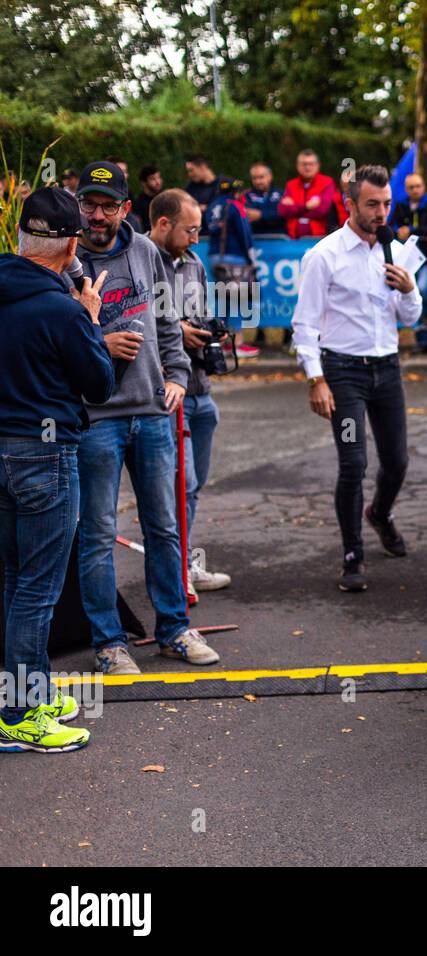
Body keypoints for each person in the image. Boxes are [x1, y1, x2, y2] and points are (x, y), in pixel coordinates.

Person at [73, 161, 219, 674]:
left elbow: (166, 319)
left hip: (154, 413)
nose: (95, 214)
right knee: (95, 533)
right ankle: (110, 643)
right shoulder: (65, 261)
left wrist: (177, 373)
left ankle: (174, 630)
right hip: (95, 420)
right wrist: (99, 343)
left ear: (125, 209)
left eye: (106, 205)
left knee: (165, 525)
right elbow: (50, 339)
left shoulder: (145, 253)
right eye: (88, 204)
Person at [0, 188, 115, 753]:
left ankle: (24, 693)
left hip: (3, 450)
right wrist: (90, 319)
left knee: (12, 580)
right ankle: (20, 714)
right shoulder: (64, 309)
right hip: (44, 457)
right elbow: (99, 383)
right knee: (36, 590)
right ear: (70, 244)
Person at [292, 165, 422, 592]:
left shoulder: (397, 251)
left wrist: (408, 289)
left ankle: (380, 514)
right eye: (372, 204)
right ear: (350, 204)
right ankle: (352, 554)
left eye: (387, 204)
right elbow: (305, 325)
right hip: (343, 371)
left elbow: (412, 317)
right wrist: (317, 379)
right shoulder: (324, 255)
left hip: (387, 368)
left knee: (397, 461)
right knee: (353, 464)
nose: (382, 212)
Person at [147, 190, 233, 595]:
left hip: (201, 389)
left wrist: (208, 330)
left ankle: (184, 564)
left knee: (192, 488)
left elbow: (198, 314)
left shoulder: (193, 262)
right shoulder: (140, 260)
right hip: (165, 395)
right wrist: (176, 331)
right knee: (176, 489)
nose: (197, 239)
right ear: (164, 224)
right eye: (191, 231)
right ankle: (173, 573)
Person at [207, 180, 260, 360]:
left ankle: (220, 342)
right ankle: (236, 343)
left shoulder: (213, 205)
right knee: (238, 299)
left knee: (223, 298)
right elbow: (245, 234)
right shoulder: (235, 206)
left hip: (215, 257)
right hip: (234, 258)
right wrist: (252, 259)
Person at [390, 172, 427, 352]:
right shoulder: (401, 205)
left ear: (423, 187)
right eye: (411, 187)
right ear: (406, 189)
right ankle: (422, 336)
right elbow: (391, 225)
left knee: (423, 290)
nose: (415, 190)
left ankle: (425, 323)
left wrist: (412, 231)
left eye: (418, 186)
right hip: (405, 258)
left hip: (425, 257)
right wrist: (399, 231)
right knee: (411, 291)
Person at [278, 149, 346, 240]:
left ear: (318, 165)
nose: (307, 167)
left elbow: (322, 210)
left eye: (311, 164)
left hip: (319, 238)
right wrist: (307, 206)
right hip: (292, 239)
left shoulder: (327, 183)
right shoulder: (291, 185)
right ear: (297, 166)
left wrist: (294, 208)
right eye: (304, 164)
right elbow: (283, 211)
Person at [184, 154, 230, 235]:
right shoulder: (190, 188)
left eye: (191, 170)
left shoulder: (224, 183)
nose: (189, 174)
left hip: (222, 236)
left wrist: (207, 208)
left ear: (203, 167)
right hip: (199, 237)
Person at [244, 163, 286, 236]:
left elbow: (284, 215)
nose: (258, 181)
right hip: (256, 239)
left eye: (261, 177)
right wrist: (271, 214)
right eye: (254, 178)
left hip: (280, 239)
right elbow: (249, 216)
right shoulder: (246, 196)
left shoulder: (282, 194)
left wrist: (261, 215)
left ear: (270, 176)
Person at [134, 165, 164, 231]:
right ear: (143, 183)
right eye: (153, 179)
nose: (158, 182)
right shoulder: (139, 203)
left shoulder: (166, 198)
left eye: (158, 177)